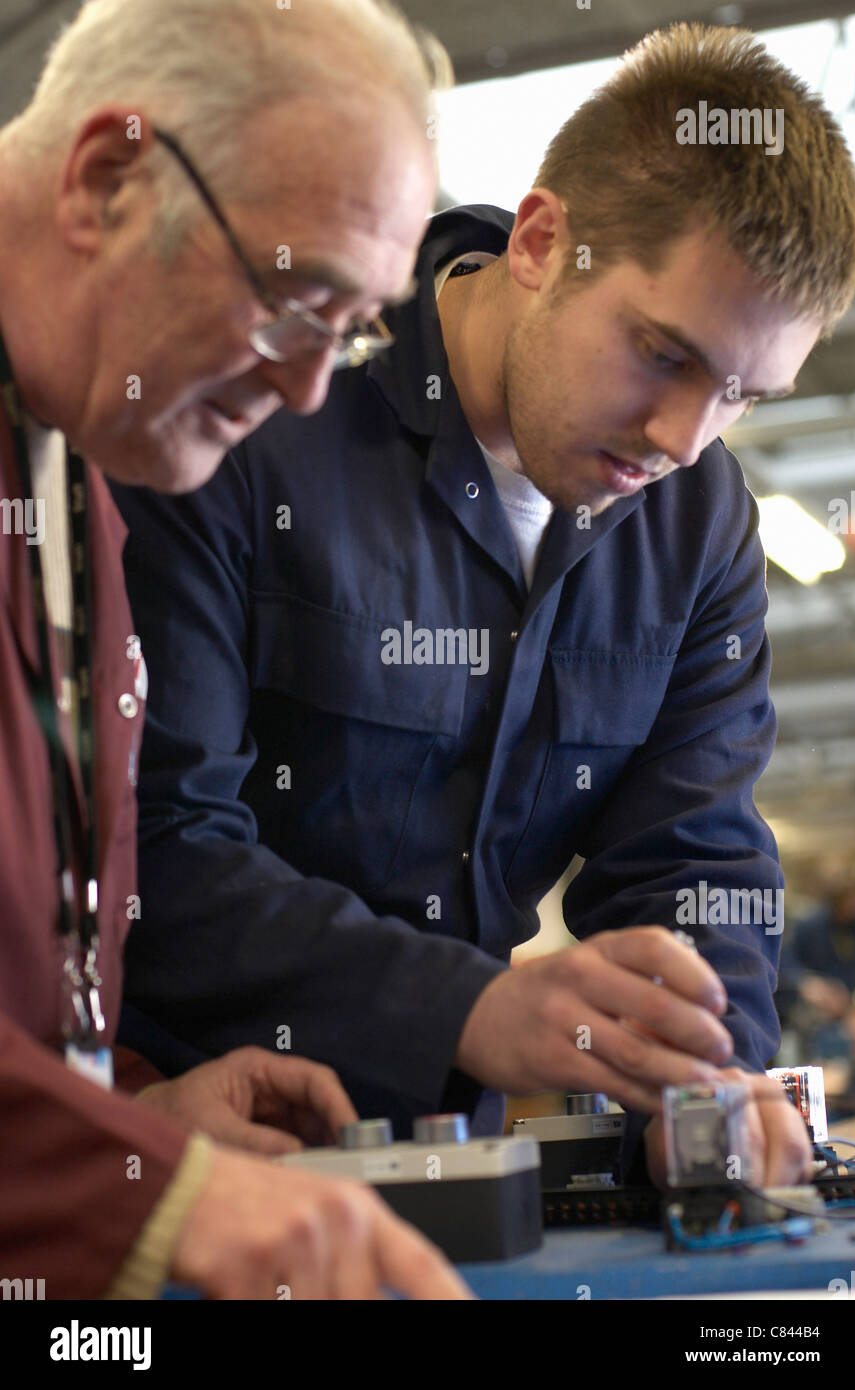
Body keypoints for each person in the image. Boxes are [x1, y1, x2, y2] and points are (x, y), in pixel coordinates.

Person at [111, 23, 855, 1192]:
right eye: (662, 353)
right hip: (180, 1140)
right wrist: (471, 1006)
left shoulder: (700, 520)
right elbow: (161, 846)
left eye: (740, 396)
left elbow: (689, 851)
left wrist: (704, 1087)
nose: (683, 439)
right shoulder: (261, 402)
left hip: (459, 1165)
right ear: (541, 239)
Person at [0, 0, 472, 1300]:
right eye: (293, 302)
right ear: (107, 179)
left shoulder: (84, 480)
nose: (313, 389)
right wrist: (149, 1195)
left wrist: (137, 1124)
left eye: (356, 326)